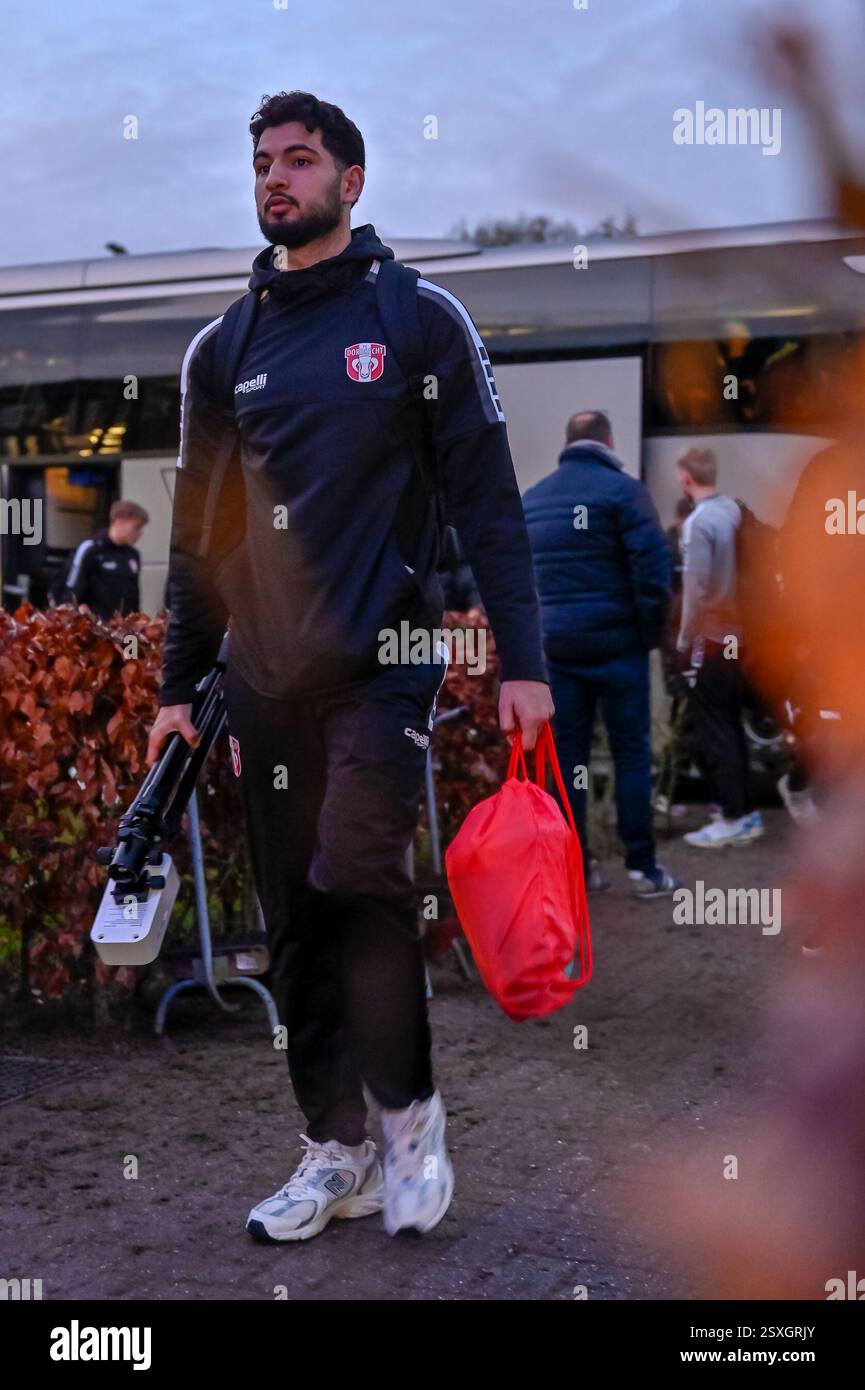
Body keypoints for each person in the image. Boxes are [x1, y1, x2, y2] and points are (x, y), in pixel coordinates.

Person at [146, 90, 553, 1243]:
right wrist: (180, 689)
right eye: (263, 162)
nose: (276, 177)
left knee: (354, 868)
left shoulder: (420, 318)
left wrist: (522, 659)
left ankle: (408, 1111)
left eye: (300, 159)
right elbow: (200, 536)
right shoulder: (224, 347)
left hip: (386, 660)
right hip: (262, 680)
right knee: (294, 917)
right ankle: (334, 1148)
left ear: (353, 182)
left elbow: (486, 498)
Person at [522, 410, 680, 897]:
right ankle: (643, 868)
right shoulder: (625, 491)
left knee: (569, 758)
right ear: (609, 441)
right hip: (617, 647)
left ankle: (578, 868)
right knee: (630, 752)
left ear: (568, 443)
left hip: (556, 649)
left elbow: (517, 583)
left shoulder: (533, 499)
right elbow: (654, 573)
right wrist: (647, 634)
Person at [675, 446, 764, 847]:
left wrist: (682, 638)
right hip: (736, 636)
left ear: (685, 478)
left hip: (709, 637)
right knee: (730, 720)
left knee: (713, 726)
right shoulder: (732, 511)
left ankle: (729, 816)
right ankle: (745, 812)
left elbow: (695, 588)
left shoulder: (699, 522)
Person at [59, 499, 148, 618]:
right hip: (98, 628)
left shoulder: (133, 555)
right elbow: (71, 591)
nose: (139, 533)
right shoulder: (91, 549)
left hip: (125, 628)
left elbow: (134, 597)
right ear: (119, 522)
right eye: (136, 527)